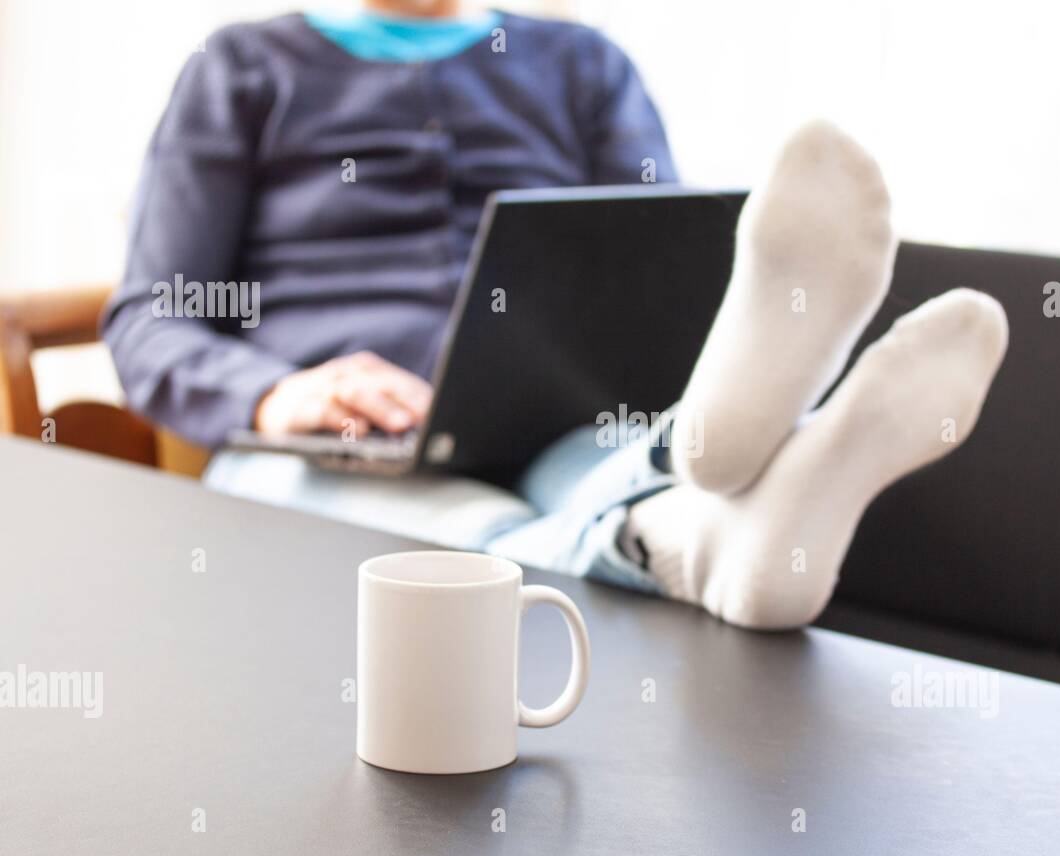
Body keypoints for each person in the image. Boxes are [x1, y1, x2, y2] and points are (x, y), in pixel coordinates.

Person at [103, 1, 1009, 630]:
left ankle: (703, 466)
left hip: (555, 421)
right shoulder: (238, 69)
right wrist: (276, 397)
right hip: (324, 453)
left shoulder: (583, 65)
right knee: (463, 537)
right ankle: (710, 533)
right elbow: (150, 317)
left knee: (606, 452)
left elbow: (658, 255)